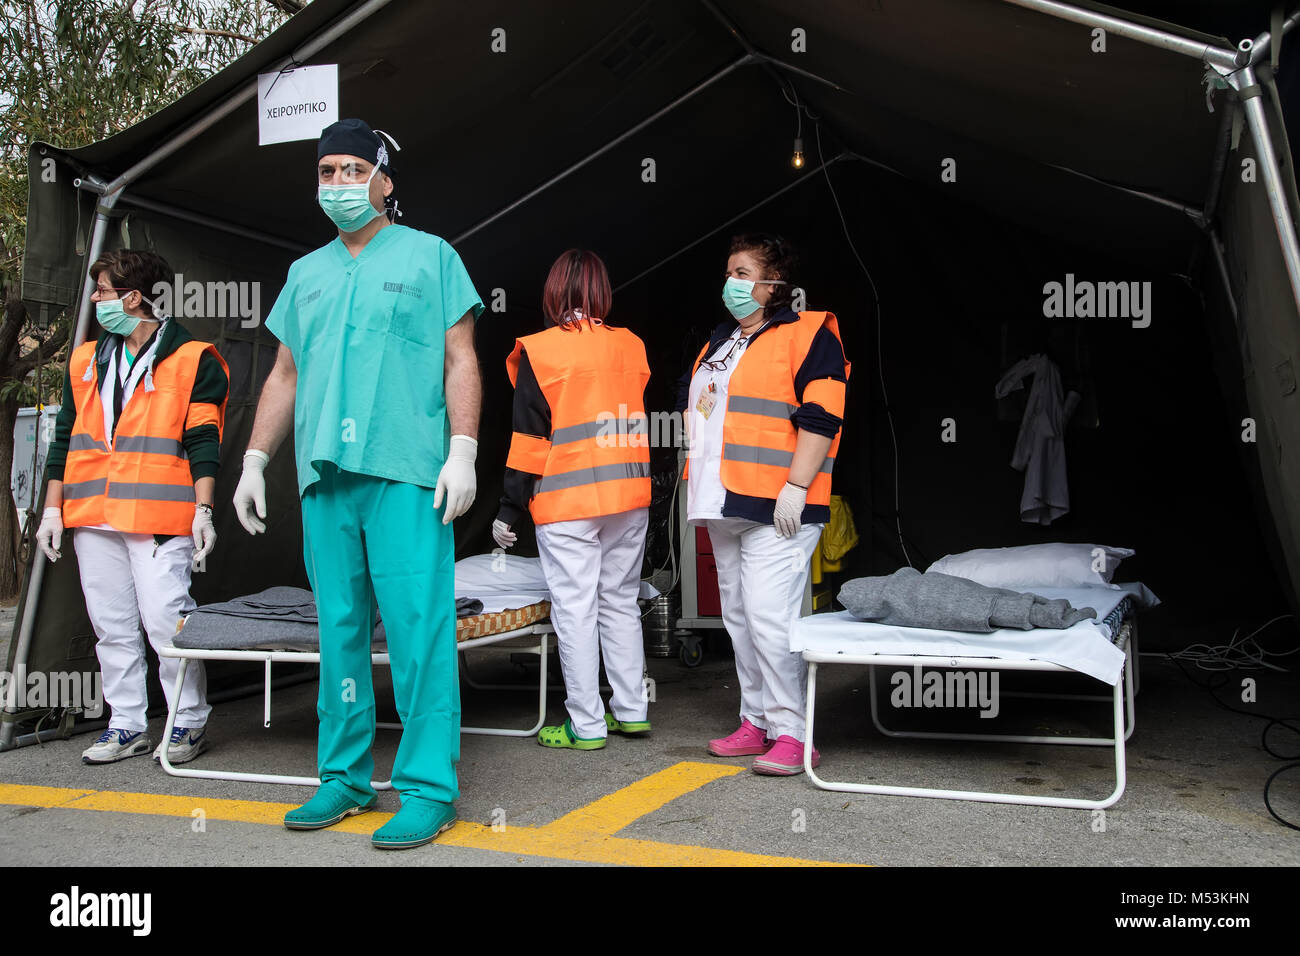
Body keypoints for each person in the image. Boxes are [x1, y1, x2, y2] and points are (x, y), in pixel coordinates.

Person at [233, 118, 483, 849]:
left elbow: (460, 358)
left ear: (384, 179)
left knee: (418, 632)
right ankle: (343, 778)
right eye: (326, 172)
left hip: (406, 471)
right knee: (339, 633)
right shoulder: (306, 274)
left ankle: (429, 787)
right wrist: (253, 460)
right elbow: (284, 374)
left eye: (351, 170)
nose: (337, 184)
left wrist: (462, 449)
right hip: (324, 477)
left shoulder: (432, 257)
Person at [36, 249, 229, 766]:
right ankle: (127, 726)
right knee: (111, 625)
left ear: (133, 297)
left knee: (167, 621)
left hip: (159, 518)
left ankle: (187, 721)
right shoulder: (85, 359)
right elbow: (64, 438)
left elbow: (204, 439)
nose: (94, 300)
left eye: (100, 291)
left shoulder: (194, 357)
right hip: (93, 511)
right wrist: (52, 511)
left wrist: (204, 509)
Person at [682, 233, 849, 775]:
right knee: (739, 619)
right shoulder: (721, 341)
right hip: (722, 500)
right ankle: (755, 720)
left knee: (769, 617)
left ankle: (793, 733)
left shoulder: (809, 333)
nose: (731, 282)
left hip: (779, 504)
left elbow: (822, 417)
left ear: (773, 284)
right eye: (729, 272)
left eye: (742, 272)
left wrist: (797, 488)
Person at [494, 250, 652, 750]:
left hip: (567, 504)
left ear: (553, 291)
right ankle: (631, 710)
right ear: (601, 291)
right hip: (629, 497)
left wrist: (507, 508)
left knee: (575, 610)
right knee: (620, 602)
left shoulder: (540, 351)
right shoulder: (631, 346)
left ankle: (586, 724)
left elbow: (529, 441)